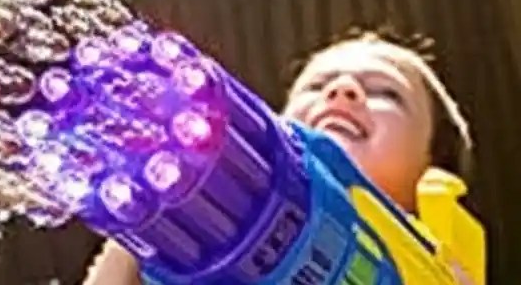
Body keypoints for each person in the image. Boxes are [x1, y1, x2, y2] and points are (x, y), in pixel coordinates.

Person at [82, 30, 476, 284]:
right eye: (317, 85)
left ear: (433, 167)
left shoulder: (444, 265)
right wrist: (150, 219)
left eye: (387, 93)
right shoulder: (189, 246)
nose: (342, 89)